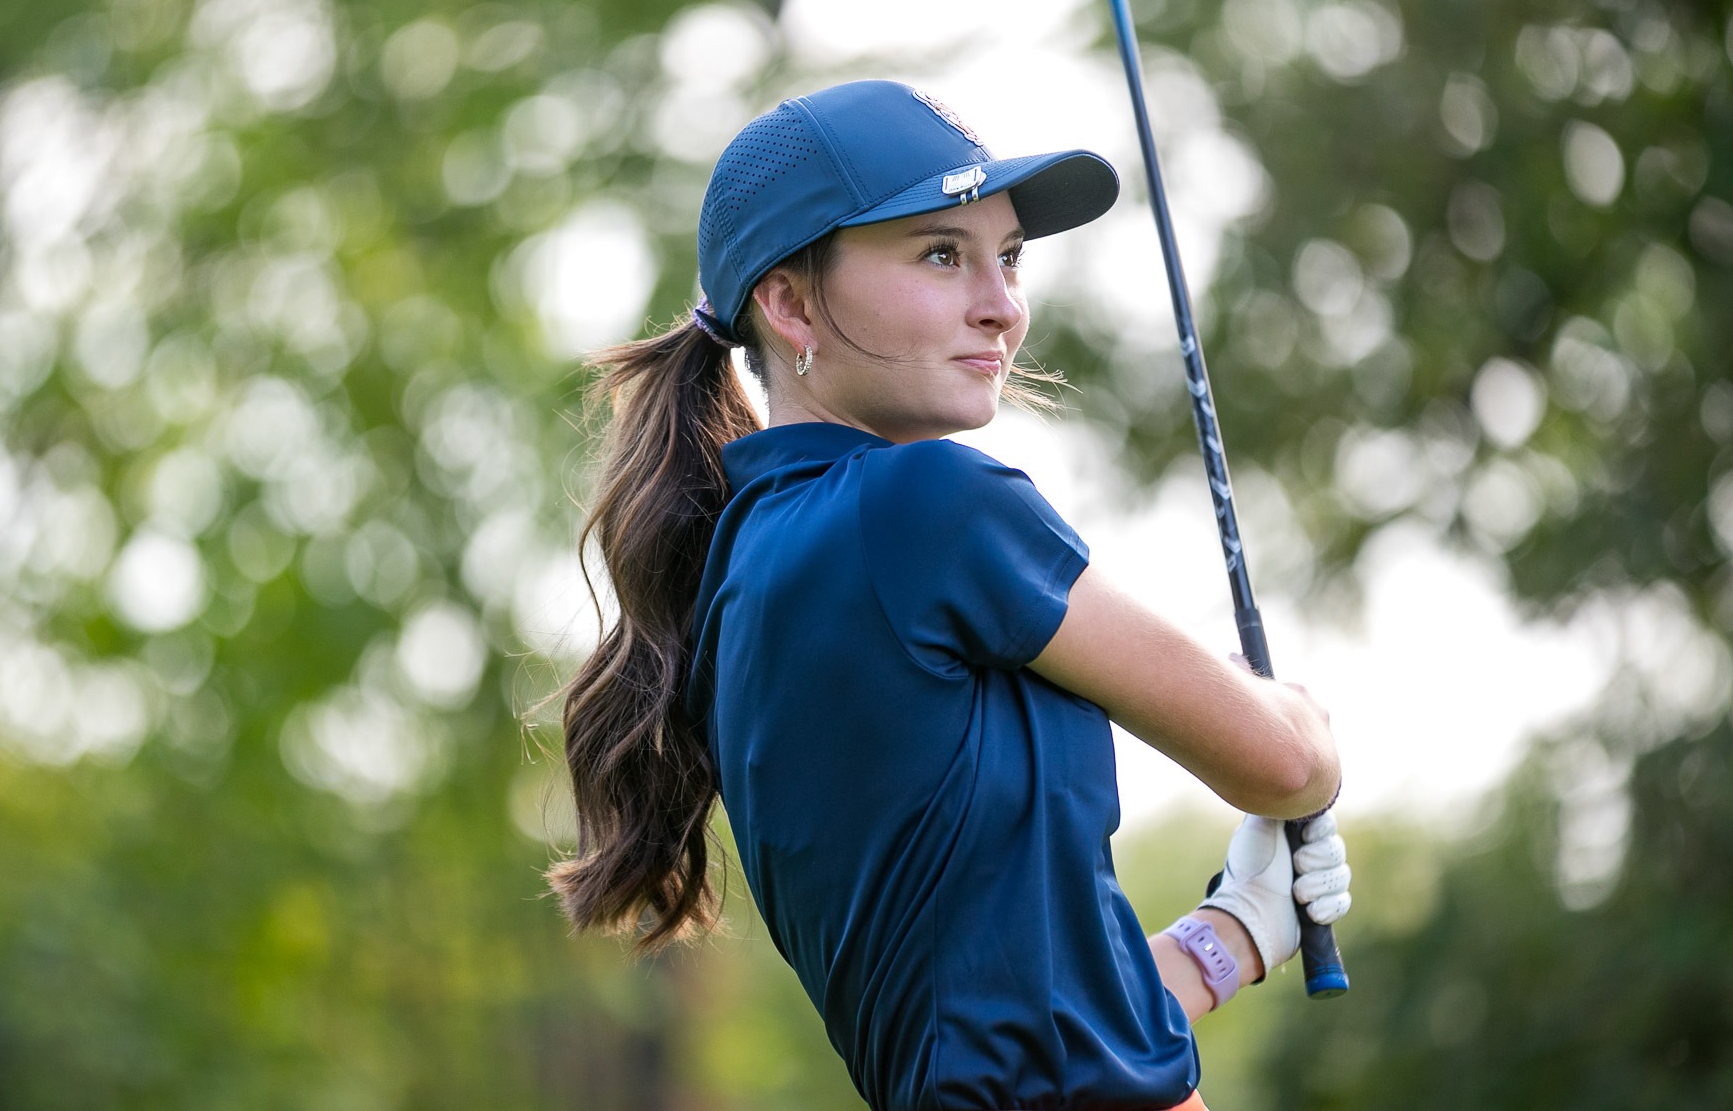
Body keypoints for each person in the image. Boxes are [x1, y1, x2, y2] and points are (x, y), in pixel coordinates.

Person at [547, 80, 1351, 1111]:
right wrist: (1308, 731)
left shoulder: (744, 567)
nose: (1002, 304)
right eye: (941, 253)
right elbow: (1282, 761)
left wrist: (1233, 928)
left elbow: (1017, 1025)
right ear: (790, 302)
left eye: (1008, 256)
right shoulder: (928, 503)